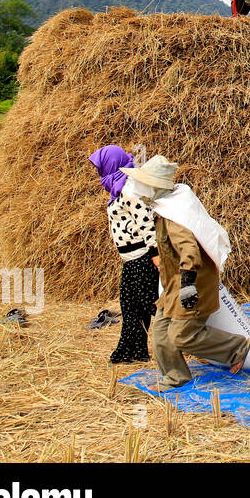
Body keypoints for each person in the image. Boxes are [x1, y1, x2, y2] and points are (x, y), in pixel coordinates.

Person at [119, 154, 249, 391]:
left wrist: (188, 283)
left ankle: (236, 347)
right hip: (172, 286)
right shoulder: (164, 209)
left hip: (191, 283)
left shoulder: (174, 216)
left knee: (181, 335)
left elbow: (189, 249)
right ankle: (176, 378)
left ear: (154, 186)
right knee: (160, 334)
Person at [88, 145, 159, 364]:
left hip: (142, 259)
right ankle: (133, 351)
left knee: (156, 308)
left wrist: (155, 255)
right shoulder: (119, 188)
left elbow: (146, 221)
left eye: (101, 167)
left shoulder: (129, 189)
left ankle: (213, 342)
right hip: (131, 261)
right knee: (131, 309)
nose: (99, 172)